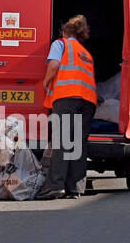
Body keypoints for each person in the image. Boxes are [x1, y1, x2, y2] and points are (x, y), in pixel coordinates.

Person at [38, 14, 97, 199]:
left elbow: (54, 64)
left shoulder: (61, 44)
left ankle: (55, 186)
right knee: (78, 144)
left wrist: (46, 81)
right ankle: (75, 188)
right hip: (87, 102)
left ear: (65, 32)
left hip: (67, 98)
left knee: (62, 142)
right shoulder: (86, 54)